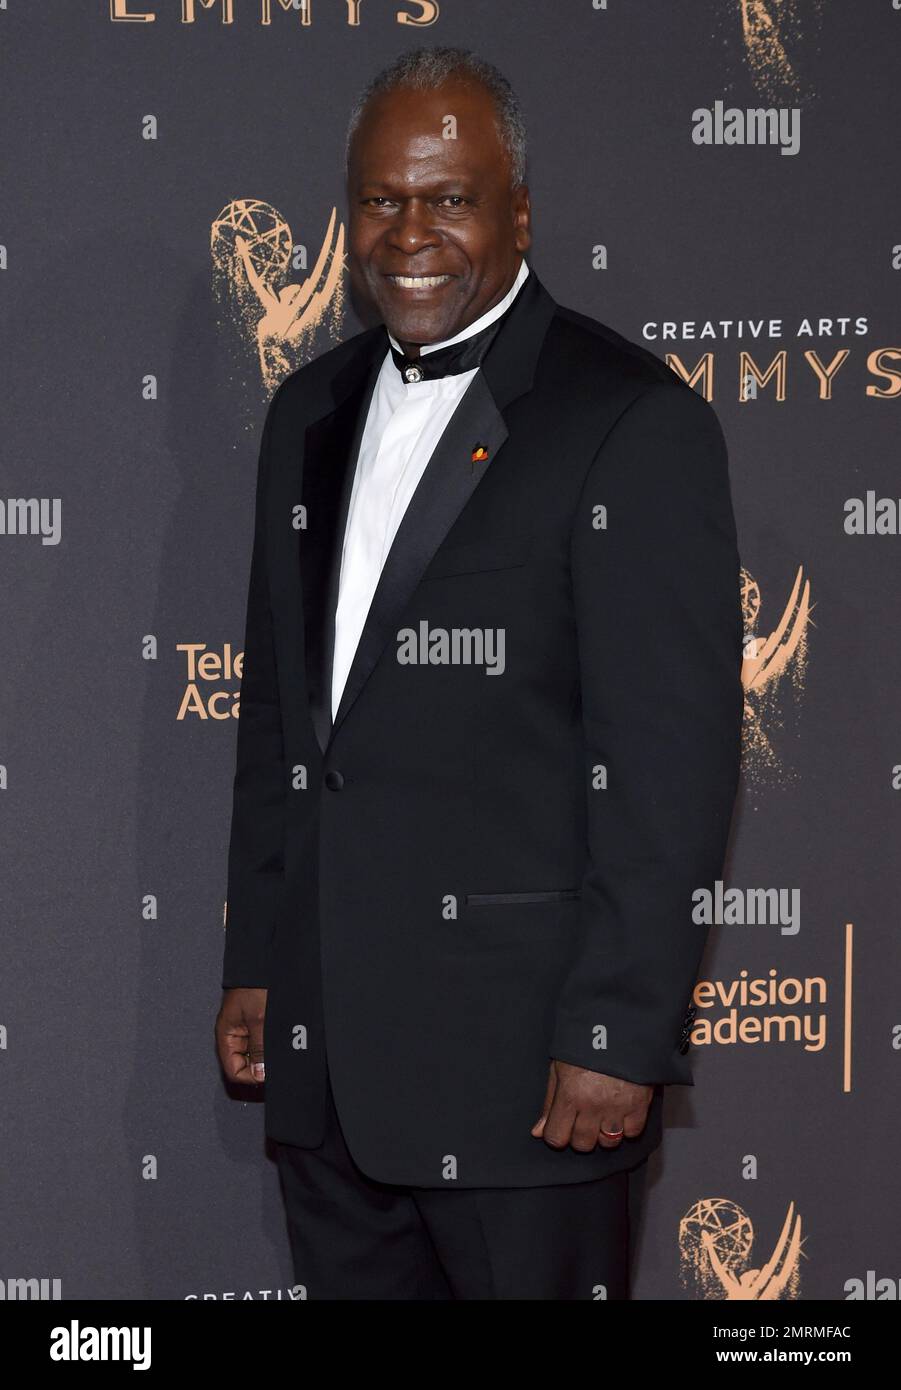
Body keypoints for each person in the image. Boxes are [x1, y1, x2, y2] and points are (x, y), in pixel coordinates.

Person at [214, 45, 744, 1301]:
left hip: (528, 1088)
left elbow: (669, 766)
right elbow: (284, 727)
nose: (410, 232)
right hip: (332, 1064)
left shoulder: (628, 420)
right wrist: (260, 954)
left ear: (519, 209)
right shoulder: (308, 413)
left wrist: (616, 1030)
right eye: (381, 199)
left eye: (448, 197)